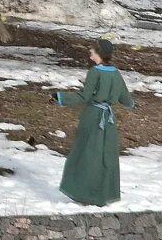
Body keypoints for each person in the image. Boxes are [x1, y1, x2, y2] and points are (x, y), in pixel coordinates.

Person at [53, 36, 135, 206]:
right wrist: (133, 104)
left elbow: (84, 96)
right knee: (106, 155)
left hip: (93, 117)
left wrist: (60, 97)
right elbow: (126, 99)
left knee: (86, 154)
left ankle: (85, 194)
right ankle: (104, 194)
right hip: (109, 121)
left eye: (92, 49)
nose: (89, 51)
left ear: (98, 53)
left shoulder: (95, 72)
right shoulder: (115, 72)